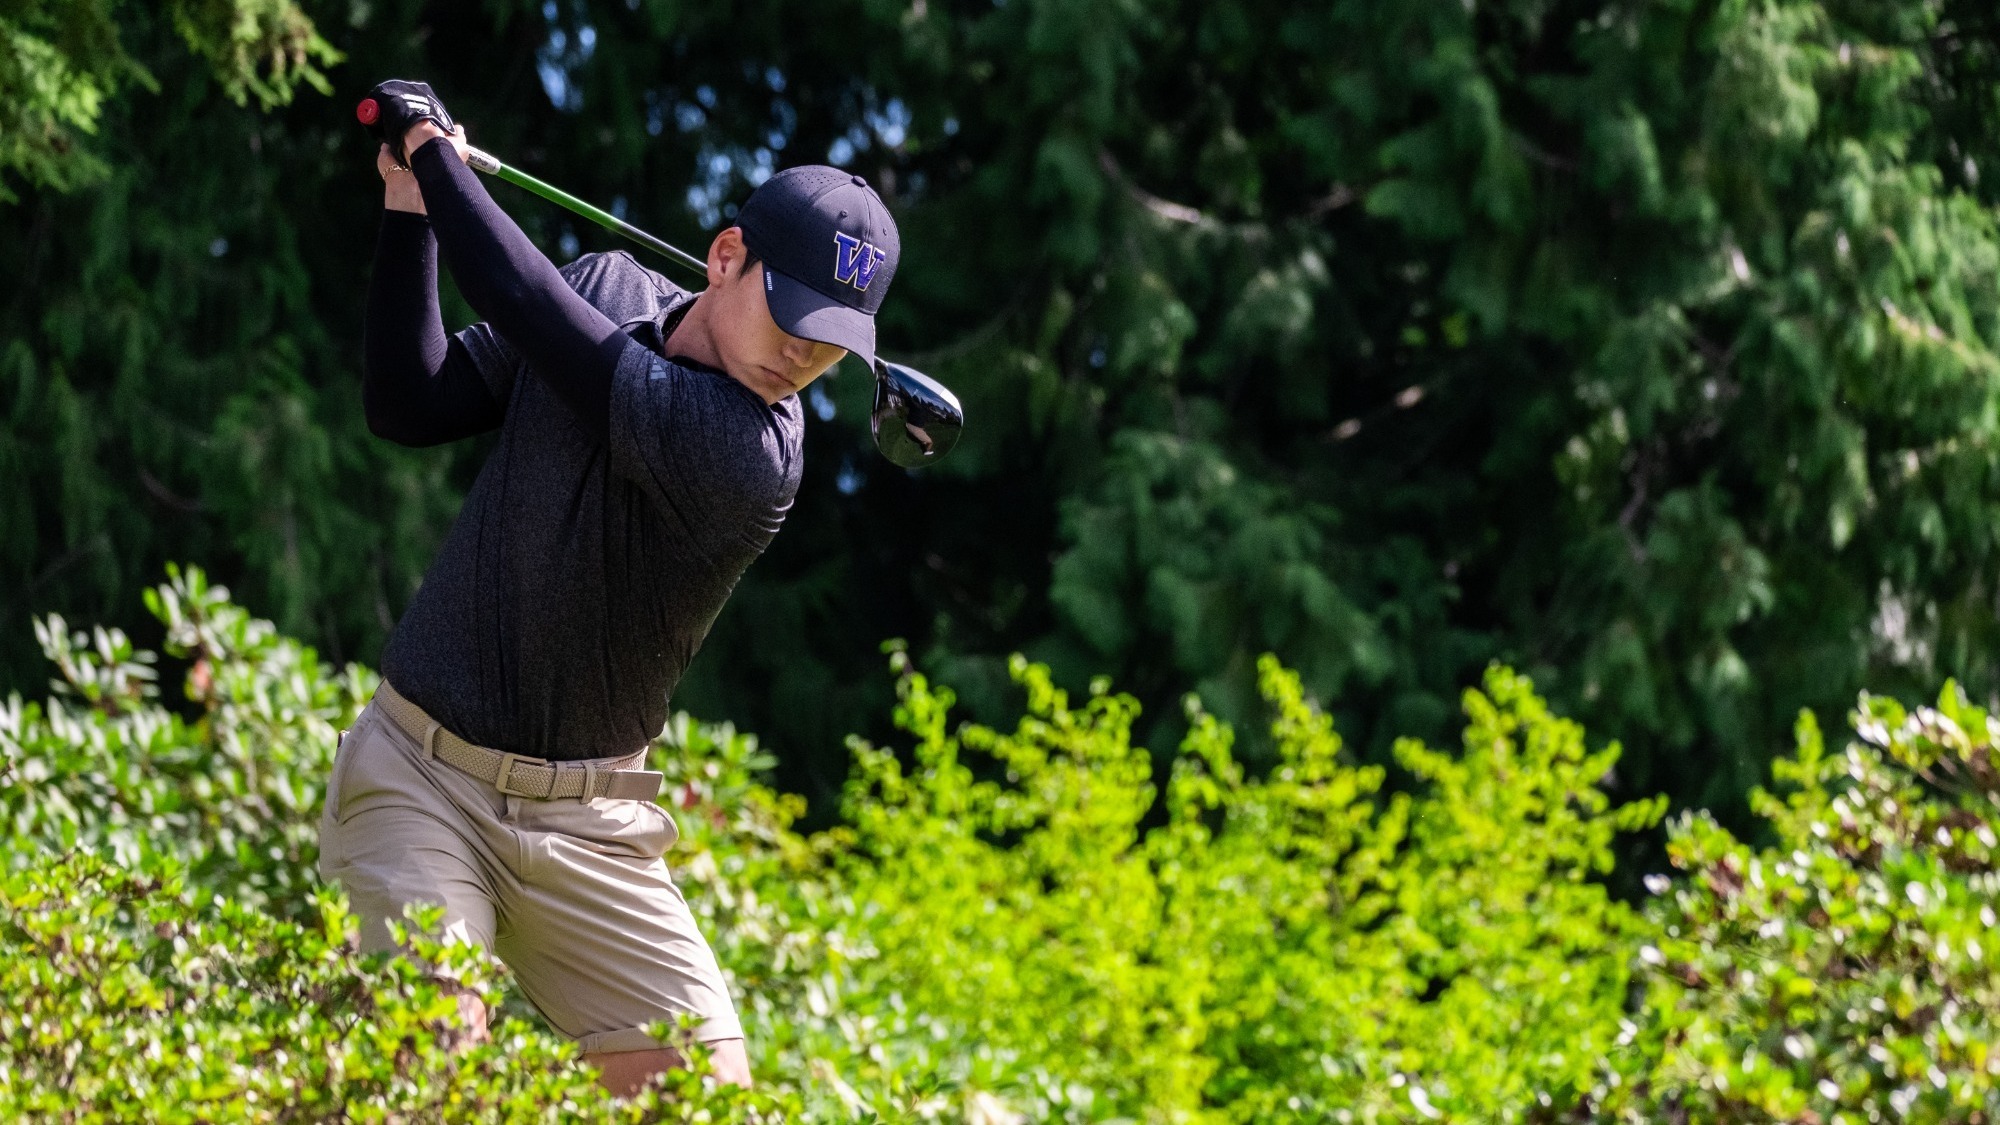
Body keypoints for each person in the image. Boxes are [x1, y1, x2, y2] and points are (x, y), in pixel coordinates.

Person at [317, 80, 902, 1095]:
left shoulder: (754, 454)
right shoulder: (608, 285)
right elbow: (408, 402)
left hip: (590, 825)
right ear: (726, 258)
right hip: (422, 774)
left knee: (707, 1102)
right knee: (421, 1068)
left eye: (832, 345)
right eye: (793, 317)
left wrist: (436, 157)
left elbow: (529, 308)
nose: (804, 357)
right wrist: (411, 208)